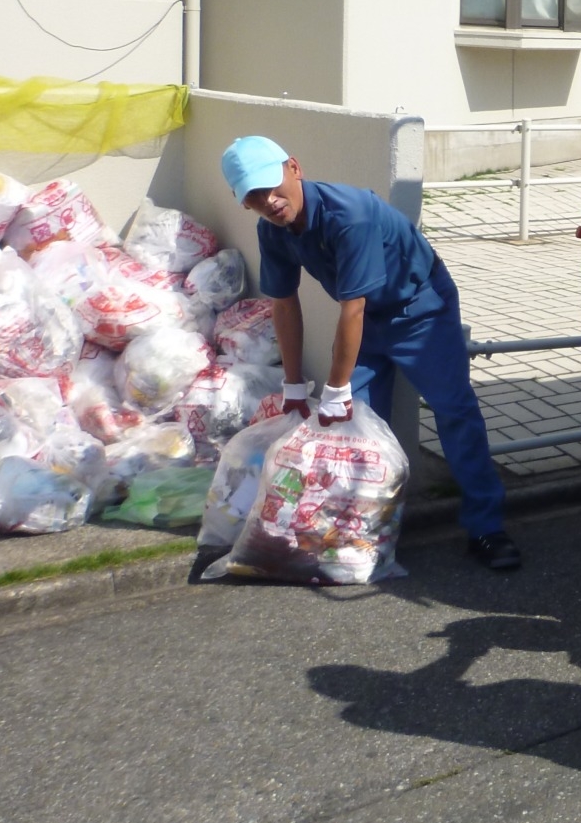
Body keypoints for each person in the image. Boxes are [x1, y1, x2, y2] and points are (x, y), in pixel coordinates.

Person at [220, 136, 522, 571]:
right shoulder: (273, 230)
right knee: (348, 430)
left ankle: (487, 527)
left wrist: (336, 386)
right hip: (363, 321)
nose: (268, 200)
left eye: (270, 184)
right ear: (244, 203)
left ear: (294, 167)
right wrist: (291, 385)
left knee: (454, 410)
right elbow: (284, 304)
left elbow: (353, 308)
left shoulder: (350, 215)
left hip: (420, 310)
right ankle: (360, 532)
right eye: (252, 195)